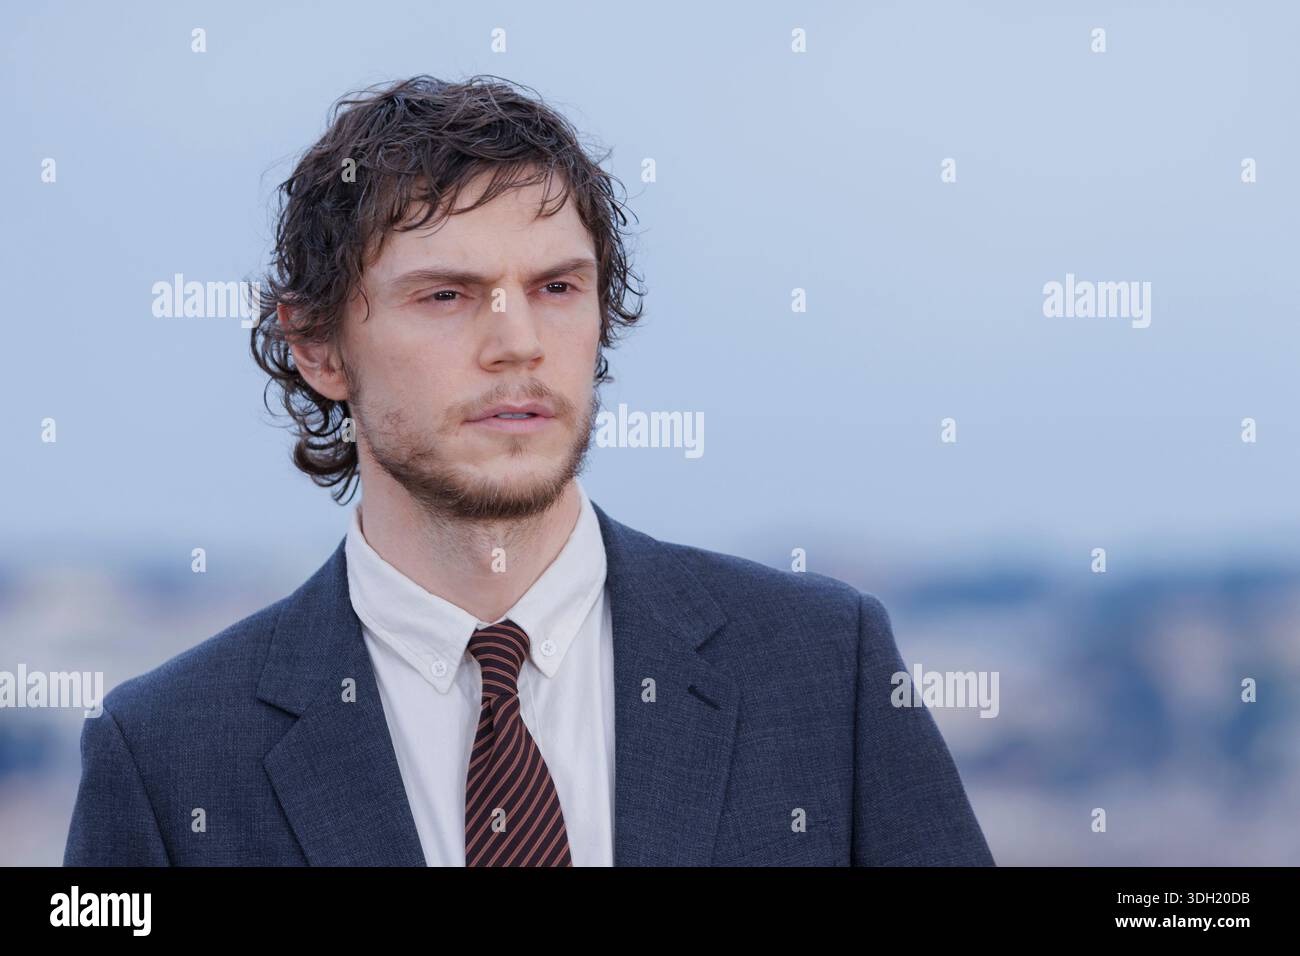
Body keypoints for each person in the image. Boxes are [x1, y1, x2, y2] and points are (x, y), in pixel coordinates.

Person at [63, 74, 994, 866]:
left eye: (557, 287)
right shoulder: (167, 756)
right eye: (445, 295)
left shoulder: (826, 668)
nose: (518, 344)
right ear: (317, 347)